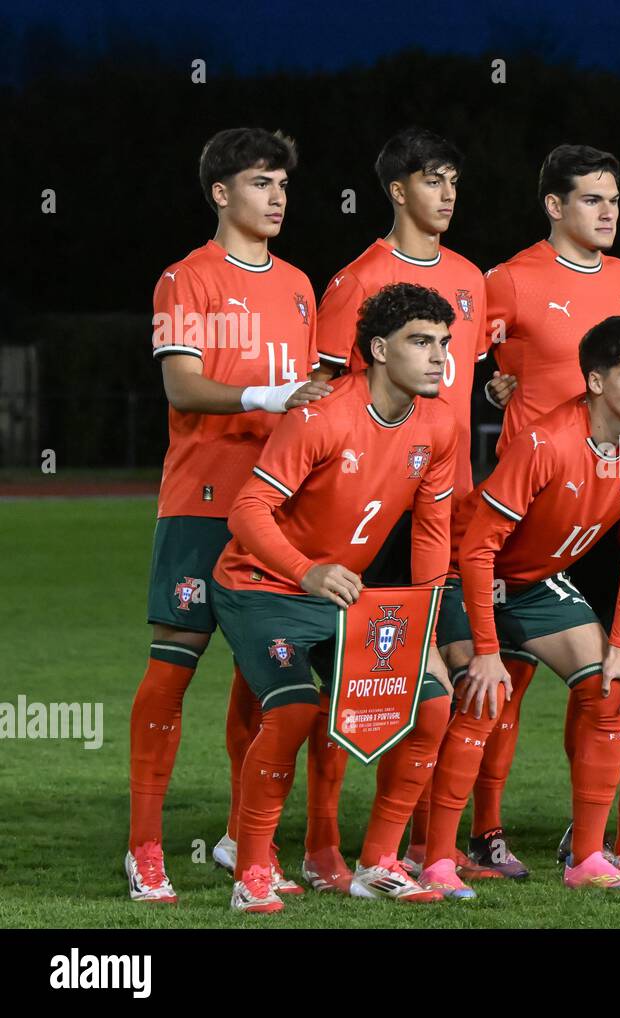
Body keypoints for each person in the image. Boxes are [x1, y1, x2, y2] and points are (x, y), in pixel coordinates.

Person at [211, 282, 460, 912]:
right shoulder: (322, 415)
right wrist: (308, 570)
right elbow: (247, 510)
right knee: (294, 710)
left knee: (429, 703)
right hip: (259, 585)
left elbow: (432, 533)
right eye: (421, 342)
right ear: (378, 348)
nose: (438, 357)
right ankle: (252, 870)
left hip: (341, 594)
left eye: (444, 343)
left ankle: (377, 863)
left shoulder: (440, 423)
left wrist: (423, 628)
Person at [127, 127, 327, 903]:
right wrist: (263, 398)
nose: (276, 197)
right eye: (259, 183)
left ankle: (243, 842)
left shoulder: (302, 284)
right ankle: (146, 846)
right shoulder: (188, 279)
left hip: (278, 509)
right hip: (204, 503)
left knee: (266, 677)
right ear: (220, 192)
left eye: (282, 184)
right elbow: (181, 386)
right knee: (173, 665)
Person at [418, 317, 620, 897]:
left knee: (611, 692)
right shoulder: (546, 442)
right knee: (482, 697)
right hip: (467, 574)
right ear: (596, 381)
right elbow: (479, 548)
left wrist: (616, 649)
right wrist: (486, 651)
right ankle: (436, 859)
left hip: (534, 580)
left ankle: (587, 859)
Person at [303, 127, 493, 887]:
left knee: (458, 682)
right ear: (396, 190)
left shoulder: (472, 277)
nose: (447, 194)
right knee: (353, 693)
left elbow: (469, 386)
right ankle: (322, 845)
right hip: (366, 518)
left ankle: (425, 851)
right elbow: (323, 402)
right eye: (432, 180)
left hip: (444, 507)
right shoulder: (357, 280)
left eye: (453, 180)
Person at [462, 146, 620, 870]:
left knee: (613, 674)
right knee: (503, 684)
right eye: (593, 199)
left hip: (608, 512)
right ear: (555, 206)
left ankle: (597, 832)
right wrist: (495, 392)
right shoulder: (506, 280)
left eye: (615, 199)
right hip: (526, 511)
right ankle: (484, 830)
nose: (608, 212)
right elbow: (465, 366)